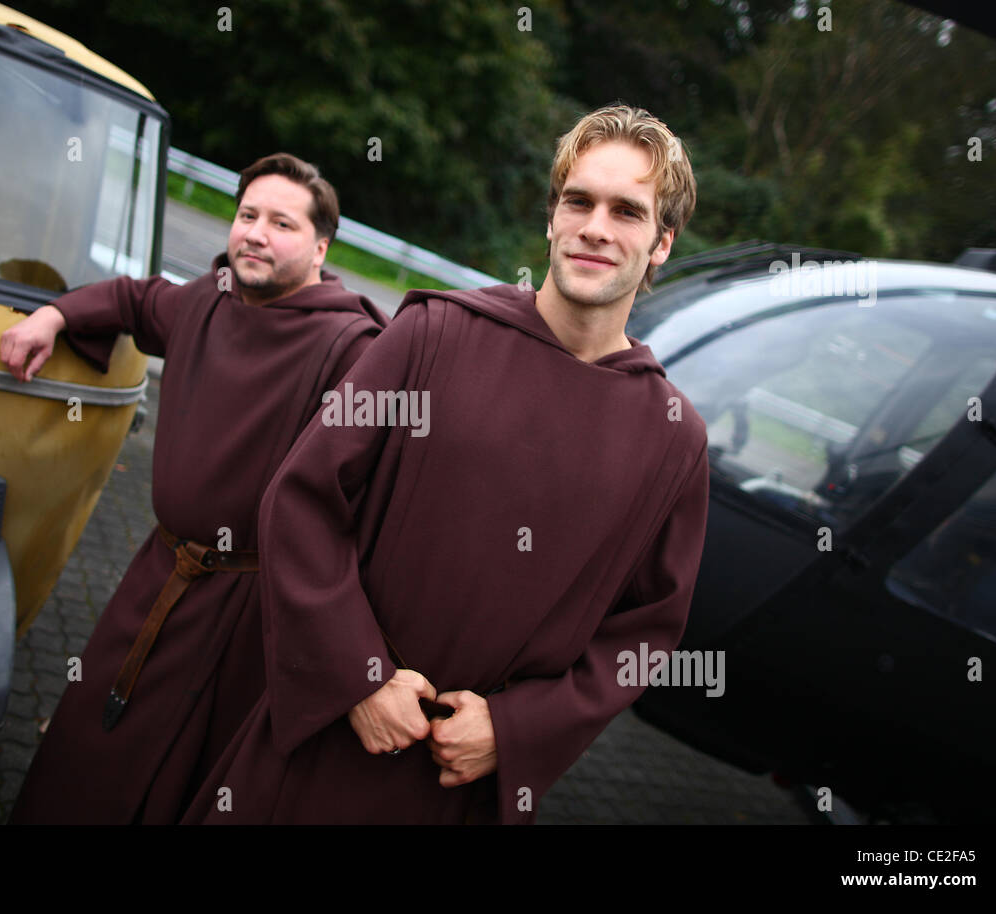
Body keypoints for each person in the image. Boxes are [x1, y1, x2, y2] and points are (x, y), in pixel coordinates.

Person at [181, 105, 709, 824]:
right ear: (552, 217)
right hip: (324, 746)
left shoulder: (674, 438)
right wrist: (357, 676)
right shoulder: (432, 334)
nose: (595, 227)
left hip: (462, 787)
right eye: (579, 200)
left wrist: (517, 730)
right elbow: (302, 501)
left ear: (661, 244)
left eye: (627, 211)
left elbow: (645, 633)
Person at [2, 153, 387, 824]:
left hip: (250, 611)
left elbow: (377, 492)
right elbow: (130, 298)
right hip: (159, 571)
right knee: (84, 749)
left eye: (283, 224)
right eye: (248, 216)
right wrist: (54, 317)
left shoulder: (354, 347)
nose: (256, 234)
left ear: (321, 248)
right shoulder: (206, 300)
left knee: (181, 781)